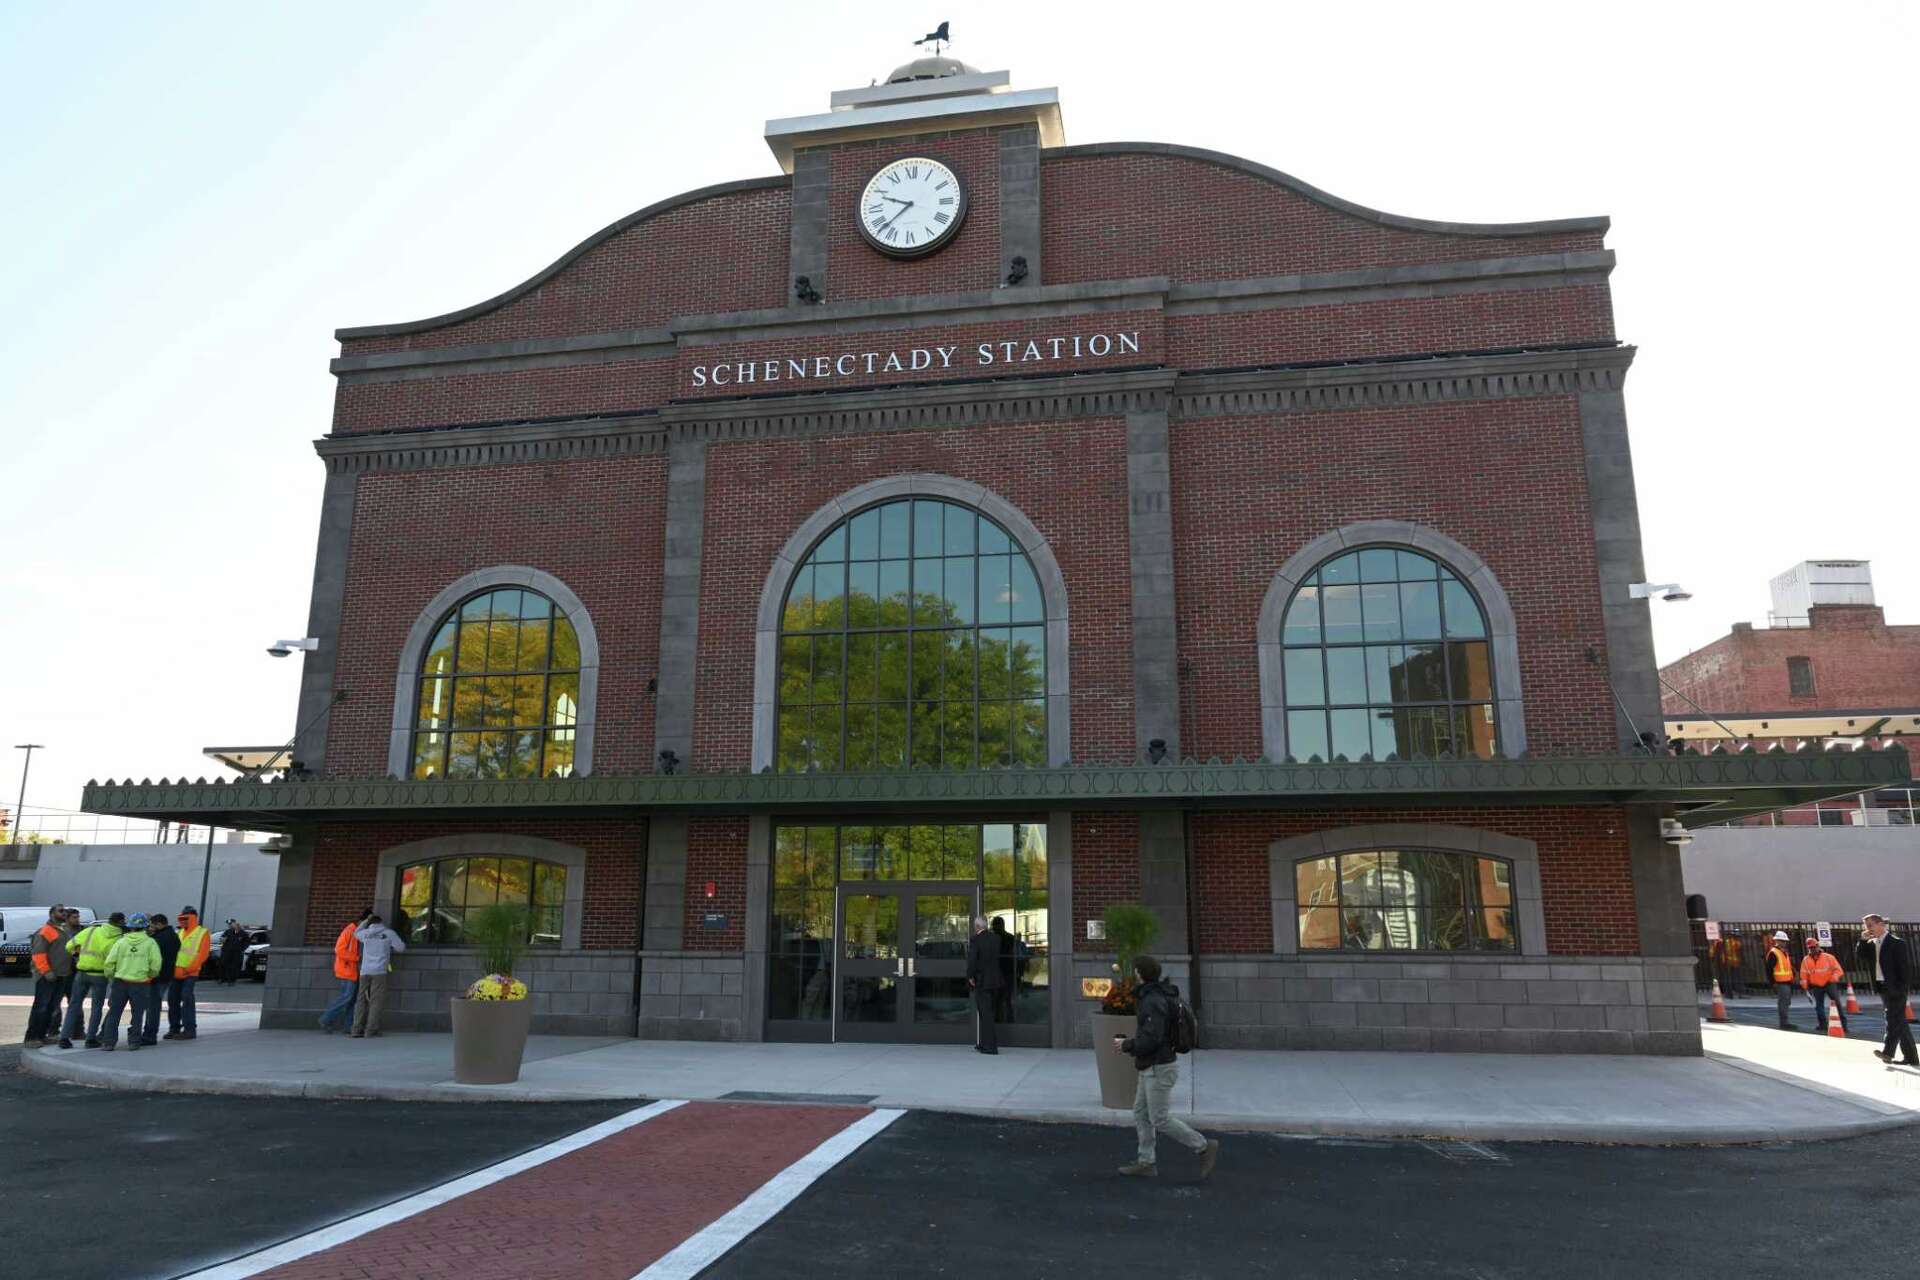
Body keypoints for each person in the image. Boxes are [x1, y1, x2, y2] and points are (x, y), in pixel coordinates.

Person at [1112, 955, 1219, 1181]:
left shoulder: (1152, 1001)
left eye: (1135, 970)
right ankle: (1146, 1162)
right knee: (1141, 1113)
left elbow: (1153, 1038)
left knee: (1159, 1118)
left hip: (1159, 1067)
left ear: (1140, 973)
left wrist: (1127, 1045)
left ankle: (1202, 1146)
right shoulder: (1155, 996)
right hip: (1150, 1065)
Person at [1858, 914, 1918, 1067]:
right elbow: (1861, 956)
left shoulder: (1897, 943)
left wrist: (1902, 989)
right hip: (1882, 987)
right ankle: (1911, 1058)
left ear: (1881, 924)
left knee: (1892, 1019)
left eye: (1870, 925)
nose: (1868, 929)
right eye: (1866, 926)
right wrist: (1863, 940)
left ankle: (1888, 1052)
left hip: (1896, 987)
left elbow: (1905, 969)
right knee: (1899, 1022)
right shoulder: (1872, 943)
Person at [60, 912, 126, 1049]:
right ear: (120, 923)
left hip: (82, 973)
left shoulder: (91, 930)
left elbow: (68, 946)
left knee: (74, 1005)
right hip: (100, 976)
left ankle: (64, 1038)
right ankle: (90, 1039)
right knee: (96, 1008)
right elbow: (114, 961)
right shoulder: (119, 939)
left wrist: (77, 955)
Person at [98, 913, 163, 1051]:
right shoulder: (150, 943)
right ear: (145, 927)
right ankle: (134, 1042)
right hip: (140, 983)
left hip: (120, 982)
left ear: (130, 927)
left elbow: (109, 963)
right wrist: (149, 975)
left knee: (114, 1013)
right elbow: (155, 965)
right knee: (137, 1014)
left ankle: (108, 1043)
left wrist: (111, 977)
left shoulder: (121, 942)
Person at [24, 905, 75, 1046]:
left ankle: (42, 1036)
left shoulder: (62, 930)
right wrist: (46, 971)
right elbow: (38, 954)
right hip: (47, 976)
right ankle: (31, 1038)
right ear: (52, 914)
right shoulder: (45, 931)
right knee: (41, 1007)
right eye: (60, 910)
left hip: (61, 974)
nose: (64, 913)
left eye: (64, 911)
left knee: (51, 1007)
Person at [350, 913, 407, 1038]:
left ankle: (356, 1029)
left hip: (365, 971)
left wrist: (365, 921)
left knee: (360, 1000)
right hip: (379, 971)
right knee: (376, 1001)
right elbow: (401, 948)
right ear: (381, 922)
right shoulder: (388, 933)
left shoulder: (365, 933)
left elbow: (355, 933)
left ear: (370, 923)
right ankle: (370, 1030)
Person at [164, 906, 211, 1040]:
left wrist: (188, 969)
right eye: (182, 918)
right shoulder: (179, 933)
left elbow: (202, 954)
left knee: (187, 999)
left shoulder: (202, 932)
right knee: (173, 1000)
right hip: (176, 972)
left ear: (193, 919)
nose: (183, 921)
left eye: (186, 918)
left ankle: (189, 1030)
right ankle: (174, 1028)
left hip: (190, 973)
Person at [320, 911, 370, 1033]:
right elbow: (339, 950)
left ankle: (348, 1026)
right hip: (347, 971)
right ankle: (326, 1018)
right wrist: (357, 958)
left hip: (354, 971)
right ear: (362, 921)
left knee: (351, 1000)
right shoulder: (349, 932)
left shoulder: (356, 932)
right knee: (347, 997)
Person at [964, 914, 1004, 1055]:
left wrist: (970, 976)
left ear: (977, 926)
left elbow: (972, 960)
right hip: (996, 980)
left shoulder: (975, 940)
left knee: (985, 1014)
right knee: (989, 1013)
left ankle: (990, 1047)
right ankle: (984, 1043)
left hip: (982, 981)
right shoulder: (996, 938)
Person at [139, 913, 180, 1047]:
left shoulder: (158, 939)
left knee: (153, 1006)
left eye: (152, 925)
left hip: (157, 976)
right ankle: (150, 1033)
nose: (150, 927)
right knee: (154, 1005)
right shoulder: (173, 936)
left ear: (159, 924)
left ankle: (149, 1034)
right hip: (167, 975)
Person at [1799, 936, 1848, 1034]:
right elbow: (1803, 974)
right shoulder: (1806, 960)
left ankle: (1844, 1025)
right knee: (1819, 1006)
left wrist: (1833, 978)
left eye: (1814, 947)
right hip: (1817, 986)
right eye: (1810, 948)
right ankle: (1822, 1025)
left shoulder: (1829, 957)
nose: (1813, 949)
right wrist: (1806, 988)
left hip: (1830, 984)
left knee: (1837, 1004)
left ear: (1818, 946)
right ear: (1808, 948)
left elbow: (1838, 970)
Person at [989, 915, 1018, 1023]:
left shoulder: (994, 938)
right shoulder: (1010, 938)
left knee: (999, 998)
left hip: (1001, 971)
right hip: (1006, 971)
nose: (993, 927)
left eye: (994, 925)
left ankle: (999, 1019)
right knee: (1005, 998)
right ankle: (1007, 1019)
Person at [1765, 930, 1795, 1030]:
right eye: (1782, 941)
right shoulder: (1774, 953)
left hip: (1787, 981)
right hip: (1780, 982)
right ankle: (1784, 1023)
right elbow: (1769, 969)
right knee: (1783, 1002)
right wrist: (1773, 983)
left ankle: (1785, 1022)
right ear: (1777, 940)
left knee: (1786, 1002)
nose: (1784, 942)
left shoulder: (1783, 952)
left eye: (1785, 941)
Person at [218, 919, 248, 985]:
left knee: (234, 967)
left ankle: (232, 981)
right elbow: (221, 939)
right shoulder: (227, 932)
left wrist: (242, 949)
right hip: (227, 951)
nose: (229, 925)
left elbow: (246, 942)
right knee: (223, 964)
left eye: (230, 924)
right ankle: (222, 978)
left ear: (235, 923)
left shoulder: (243, 933)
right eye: (228, 924)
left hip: (236, 953)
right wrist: (222, 940)